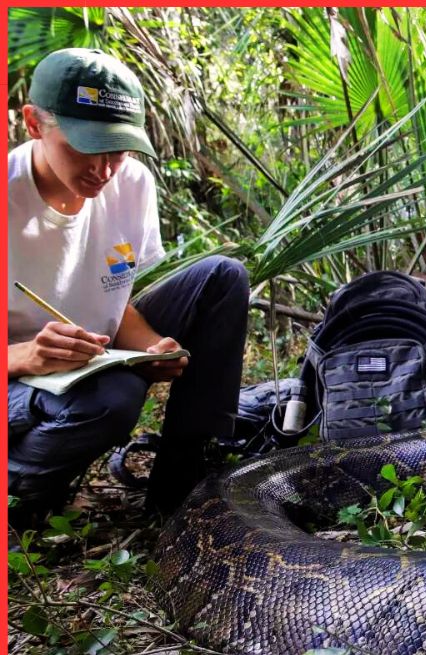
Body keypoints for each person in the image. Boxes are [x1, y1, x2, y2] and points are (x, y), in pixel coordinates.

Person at [7, 49, 250, 526]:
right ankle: (19, 495)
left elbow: (112, 302)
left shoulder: (132, 184)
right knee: (113, 396)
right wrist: (25, 356)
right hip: (18, 379)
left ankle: (182, 484)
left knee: (222, 277)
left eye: (116, 149)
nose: (103, 170)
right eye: (85, 146)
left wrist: (152, 347)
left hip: (86, 359)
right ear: (34, 124)